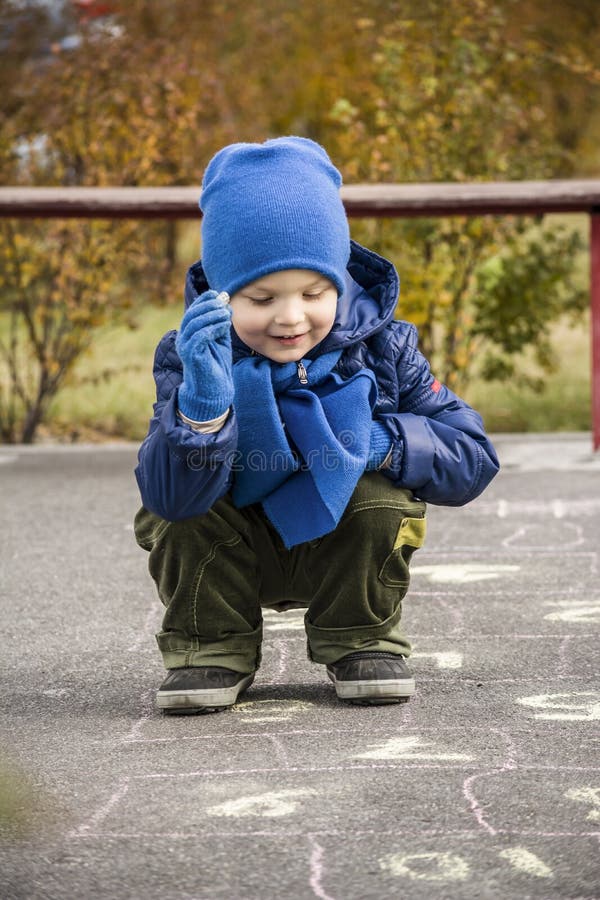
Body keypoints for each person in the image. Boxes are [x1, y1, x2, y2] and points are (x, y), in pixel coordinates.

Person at [134, 136, 499, 715]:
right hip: (234, 550)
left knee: (381, 496)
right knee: (174, 512)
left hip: (341, 549)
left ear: (340, 283)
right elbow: (170, 499)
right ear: (223, 295)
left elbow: (472, 456)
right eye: (261, 298)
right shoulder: (192, 356)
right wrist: (203, 409)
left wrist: (380, 442)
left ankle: (360, 637)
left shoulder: (385, 348)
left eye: (313, 291)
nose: (290, 316)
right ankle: (212, 646)